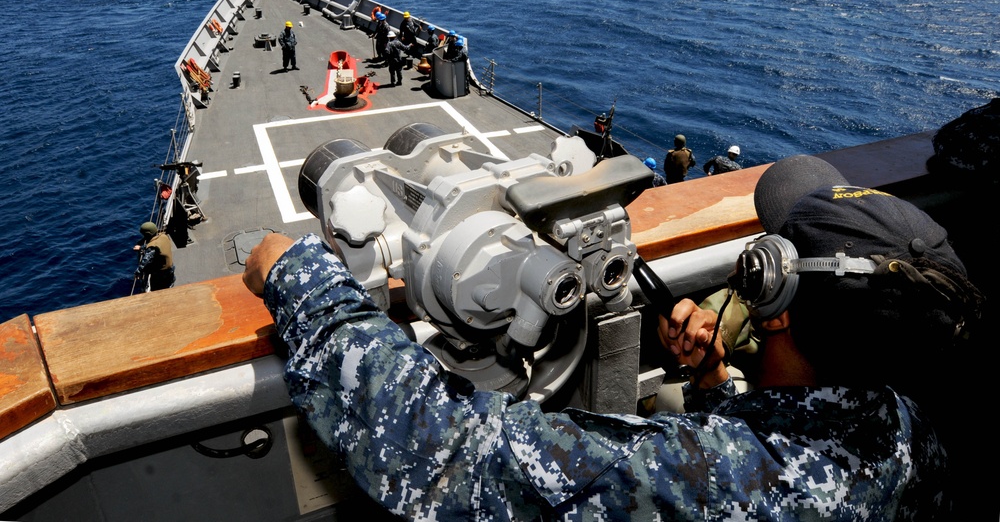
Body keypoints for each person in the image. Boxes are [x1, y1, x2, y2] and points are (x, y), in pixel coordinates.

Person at [242, 153, 980, 519]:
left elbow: (445, 456)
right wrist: (720, 388)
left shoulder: (715, 478)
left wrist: (300, 278)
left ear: (771, 291)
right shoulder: (918, 429)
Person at [134, 221, 175, 291]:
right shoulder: (163, 236)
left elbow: (145, 261)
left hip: (161, 274)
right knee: (169, 286)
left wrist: (138, 272)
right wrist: (142, 248)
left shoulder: (152, 247)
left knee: (158, 291)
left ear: (147, 234)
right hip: (170, 269)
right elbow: (155, 246)